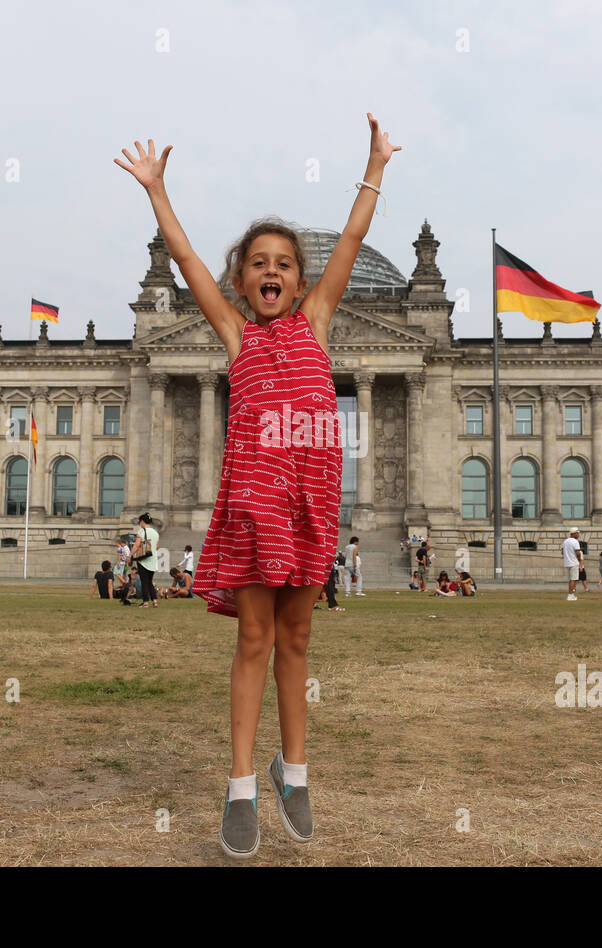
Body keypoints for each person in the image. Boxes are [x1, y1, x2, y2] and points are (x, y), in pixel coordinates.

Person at [117, 113, 400, 858]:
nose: (270, 271)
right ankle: (242, 785)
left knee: (298, 638)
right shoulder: (234, 335)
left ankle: (293, 771)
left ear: (299, 281)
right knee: (253, 639)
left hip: (310, 508)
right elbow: (184, 262)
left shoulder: (319, 321)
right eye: (255, 264)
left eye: (283, 263)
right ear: (240, 281)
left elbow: (348, 240)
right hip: (252, 505)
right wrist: (158, 193)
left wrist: (373, 167)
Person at [130, 513, 160, 608]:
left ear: (142, 521)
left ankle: (146, 602)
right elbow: (158, 546)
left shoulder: (142, 531)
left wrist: (130, 555)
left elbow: (136, 545)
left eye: (140, 522)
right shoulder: (155, 532)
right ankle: (155, 601)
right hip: (153, 560)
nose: (140, 524)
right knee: (150, 581)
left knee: (144, 581)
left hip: (143, 560)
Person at [562, 527, 582, 601]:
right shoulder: (575, 542)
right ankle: (570, 595)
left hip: (567, 562)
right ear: (573, 534)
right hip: (574, 562)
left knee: (571, 580)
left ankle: (571, 594)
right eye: (577, 533)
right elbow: (578, 553)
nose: (578, 534)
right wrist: (579, 560)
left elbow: (562, 551)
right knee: (574, 579)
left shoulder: (565, 541)